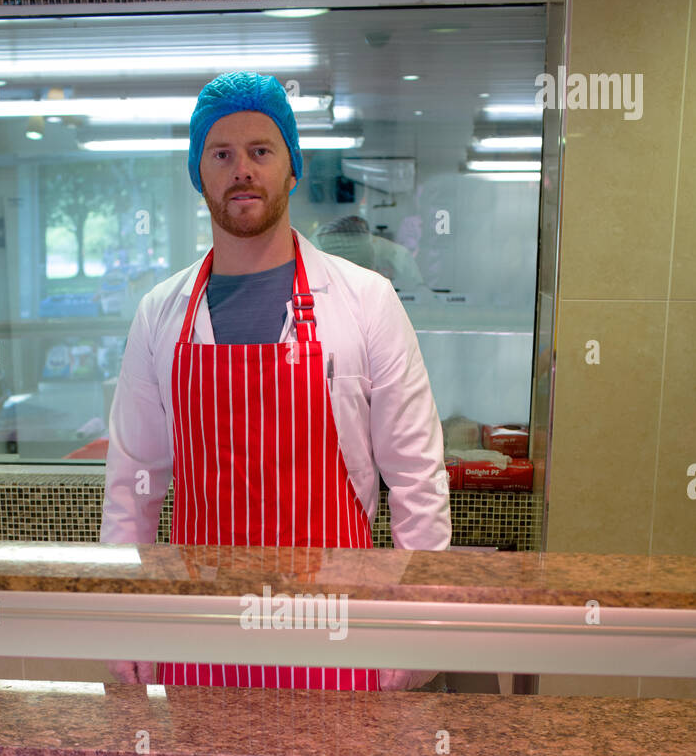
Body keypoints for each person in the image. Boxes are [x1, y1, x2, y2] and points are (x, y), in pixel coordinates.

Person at [102, 71, 450, 690]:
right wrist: (124, 619)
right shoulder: (160, 312)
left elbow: (416, 479)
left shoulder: (367, 300)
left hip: (338, 631)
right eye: (222, 153)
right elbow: (133, 486)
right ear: (199, 173)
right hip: (201, 634)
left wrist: (418, 629)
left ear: (291, 168)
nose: (242, 169)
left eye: (261, 151)